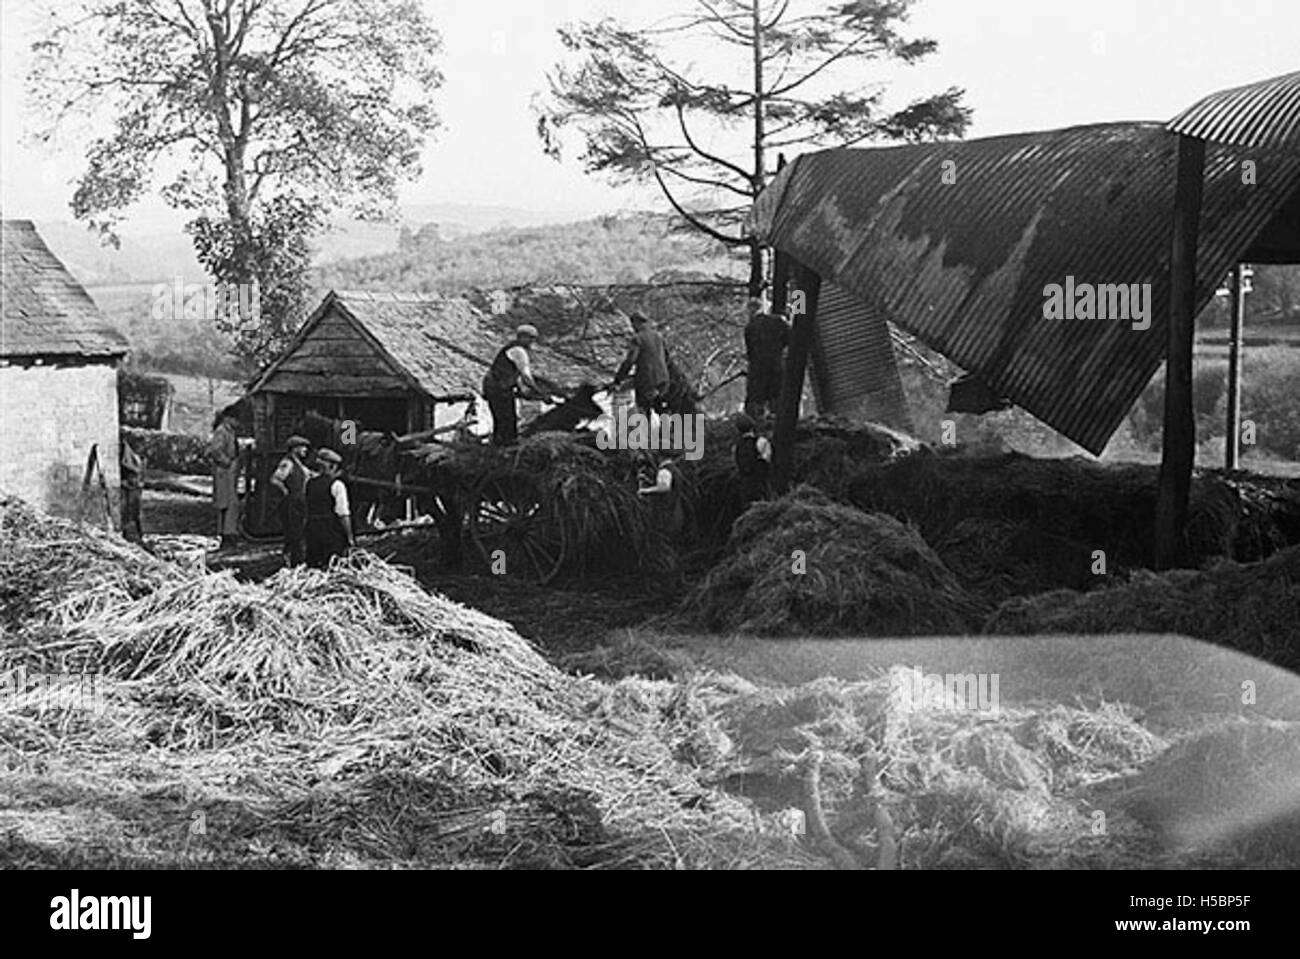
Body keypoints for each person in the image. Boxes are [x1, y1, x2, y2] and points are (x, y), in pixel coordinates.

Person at [483, 324, 546, 446]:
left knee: (502, 418)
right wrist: (539, 392)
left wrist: (521, 389)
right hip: (498, 387)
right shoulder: (518, 351)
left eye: (533, 339)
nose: (532, 342)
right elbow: (526, 376)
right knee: (507, 418)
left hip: (495, 385)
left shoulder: (510, 348)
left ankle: (499, 443)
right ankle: (506, 445)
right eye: (530, 338)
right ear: (521, 337)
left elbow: (514, 374)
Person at [612, 313, 671, 419]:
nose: (632, 327)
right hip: (663, 379)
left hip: (647, 381)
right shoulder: (658, 336)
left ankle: (646, 433)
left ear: (637, 323)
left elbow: (630, 360)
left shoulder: (638, 338)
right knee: (660, 408)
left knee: (644, 411)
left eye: (633, 324)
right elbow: (667, 357)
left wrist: (618, 379)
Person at [304, 448, 355, 569]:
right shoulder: (337, 485)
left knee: (314, 566)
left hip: (312, 530)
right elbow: (343, 514)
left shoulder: (309, 483)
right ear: (333, 467)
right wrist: (349, 537)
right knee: (334, 566)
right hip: (331, 531)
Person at [271, 435, 315, 567]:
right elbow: (275, 479)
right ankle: (293, 561)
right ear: (294, 449)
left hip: (299, 502)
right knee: (294, 533)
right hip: (292, 504)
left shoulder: (299, 464)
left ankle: (294, 560)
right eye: (302, 447)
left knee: (299, 532)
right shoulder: (288, 463)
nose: (305, 450)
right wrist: (285, 491)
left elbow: (309, 474)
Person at [744, 297, 790, 420]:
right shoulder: (778, 321)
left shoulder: (750, 327)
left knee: (758, 397)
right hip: (776, 365)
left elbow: (750, 352)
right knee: (776, 395)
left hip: (758, 369)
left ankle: (756, 424)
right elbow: (790, 339)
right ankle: (779, 421)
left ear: (749, 311)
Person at [207, 408, 242, 549]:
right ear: (228, 418)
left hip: (229, 471)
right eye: (235, 419)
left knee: (231, 503)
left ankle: (229, 532)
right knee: (226, 503)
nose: (237, 423)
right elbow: (216, 450)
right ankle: (226, 535)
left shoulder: (229, 431)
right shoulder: (222, 431)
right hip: (224, 471)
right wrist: (227, 461)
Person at [638, 453, 687, 544]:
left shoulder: (664, 470)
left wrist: (645, 491)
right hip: (676, 512)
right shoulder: (675, 470)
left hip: (666, 515)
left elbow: (664, 487)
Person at [733, 413, 773, 505]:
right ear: (752, 427)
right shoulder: (761, 442)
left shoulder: (736, 447)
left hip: (745, 488)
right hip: (760, 486)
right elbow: (768, 461)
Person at [120, 437, 144, 544]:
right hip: (129, 490)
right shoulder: (130, 456)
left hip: (133, 491)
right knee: (127, 513)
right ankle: (128, 533)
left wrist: (132, 482)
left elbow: (134, 470)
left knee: (134, 513)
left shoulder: (133, 458)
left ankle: (139, 534)